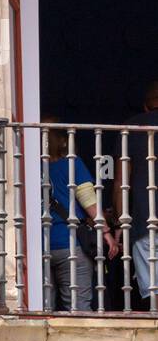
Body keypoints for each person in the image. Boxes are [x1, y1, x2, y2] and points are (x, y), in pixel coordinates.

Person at [44, 119, 118, 310]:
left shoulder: (28, 166)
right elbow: (89, 202)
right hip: (70, 245)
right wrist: (107, 233)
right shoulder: (71, 163)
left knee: (42, 311)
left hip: (39, 248)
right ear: (63, 140)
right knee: (78, 310)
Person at [113, 81, 158, 307]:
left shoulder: (131, 127)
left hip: (144, 219)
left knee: (153, 291)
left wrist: (121, 221)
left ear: (146, 106)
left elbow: (122, 181)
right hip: (143, 221)